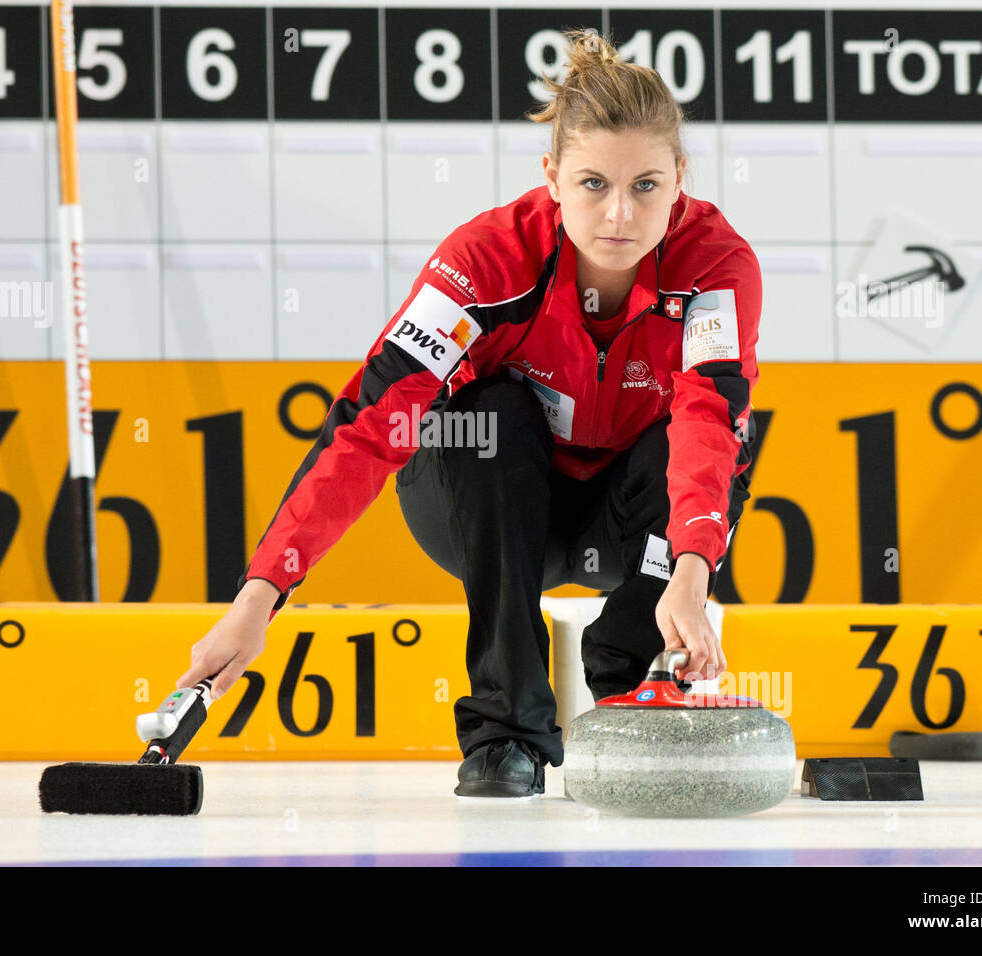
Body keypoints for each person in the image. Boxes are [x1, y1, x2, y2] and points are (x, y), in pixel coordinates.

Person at [178, 28, 760, 799]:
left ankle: (634, 686)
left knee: (703, 448)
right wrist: (259, 600)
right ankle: (504, 732)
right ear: (551, 177)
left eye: (646, 186)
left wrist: (692, 572)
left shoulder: (715, 263)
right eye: (593, 184)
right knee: (488, 416)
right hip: (481, 504)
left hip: (619, 518)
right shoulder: (486, 261)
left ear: (680, 178)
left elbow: (706, 421)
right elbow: (369, 424)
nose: (619, 214)